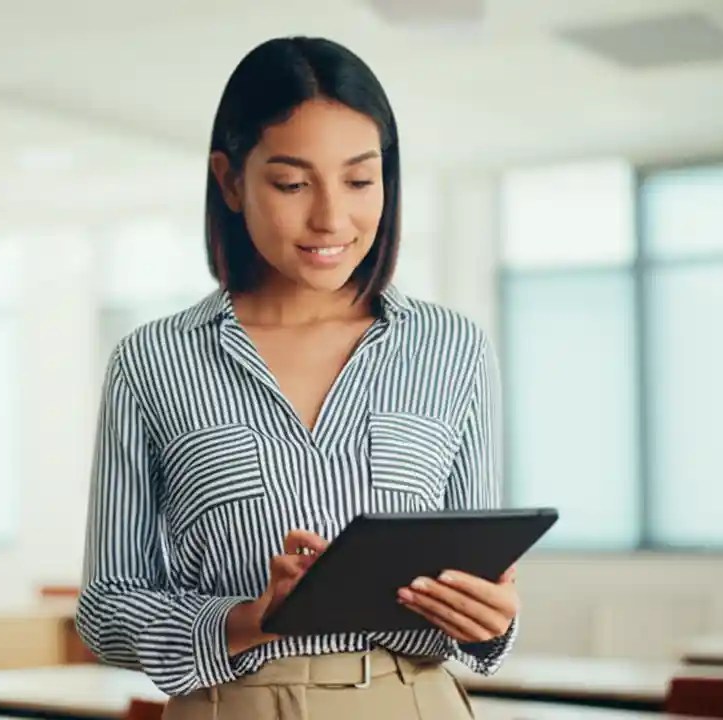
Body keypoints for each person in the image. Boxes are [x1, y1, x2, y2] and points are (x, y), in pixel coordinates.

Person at [75, 36, 519, 719]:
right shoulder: (152, 361)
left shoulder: (452, 347)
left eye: (359, 181)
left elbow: (477, 580)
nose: (331, 218)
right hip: (232, 704)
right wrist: (252, 618)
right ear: (230, 181)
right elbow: (107, 609)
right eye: (291, 184)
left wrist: (489, 618)